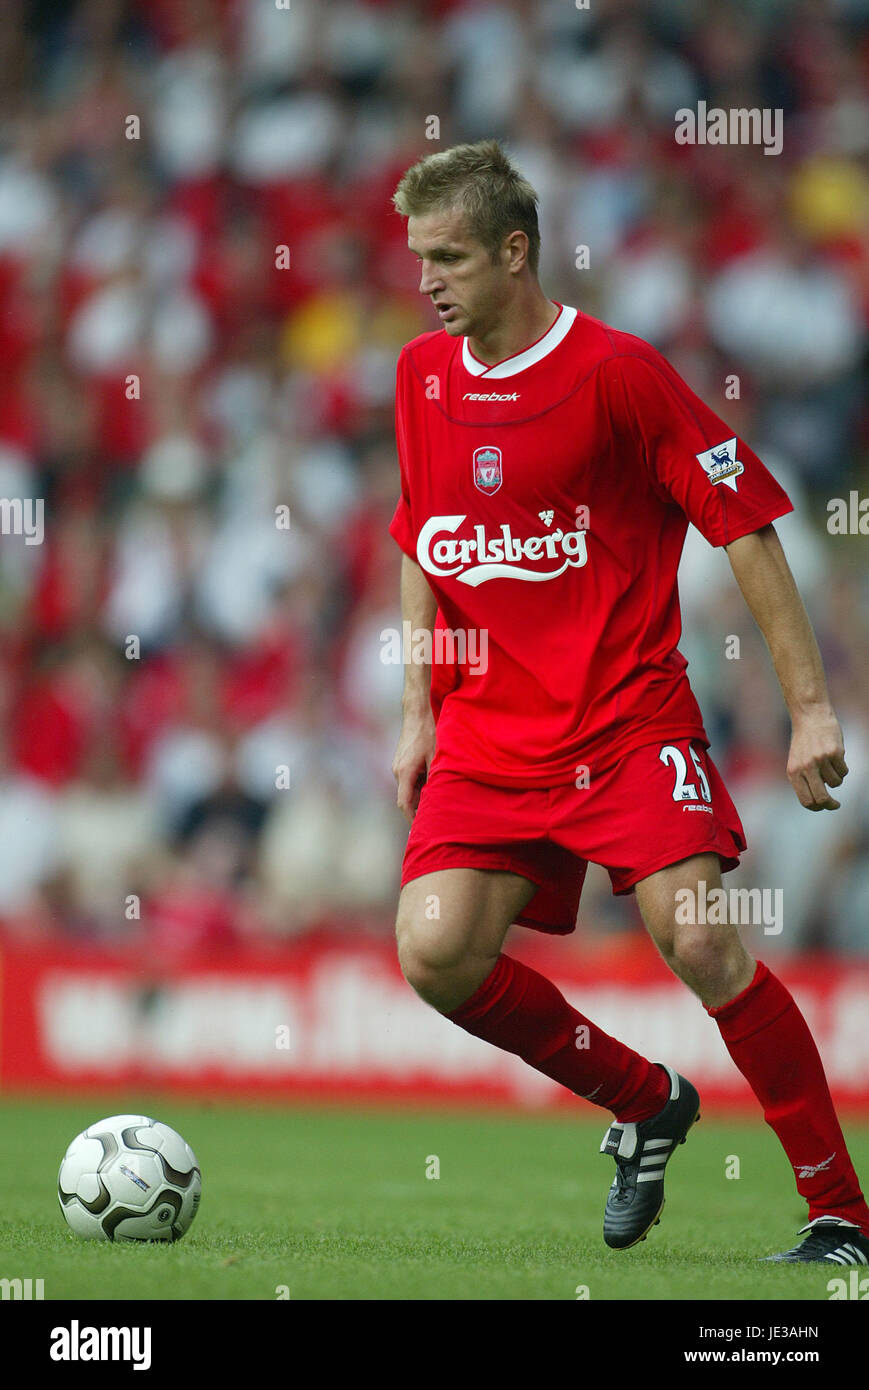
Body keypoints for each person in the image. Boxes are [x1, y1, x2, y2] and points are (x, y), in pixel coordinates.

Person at [387, 139, 869, 1265]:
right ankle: (642, 1099)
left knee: (698, 937)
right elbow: (420, 533)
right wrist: (417, 707)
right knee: (433, 949)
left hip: (623, 716)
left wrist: (809, 707)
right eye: (418, 257)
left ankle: (839, 1211)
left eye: (448, 256)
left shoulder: (617, 373)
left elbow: (742, 518)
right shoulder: (419, 377)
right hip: (489, 728)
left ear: (516, 251)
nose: (427, 280)